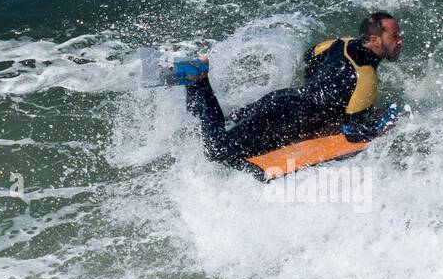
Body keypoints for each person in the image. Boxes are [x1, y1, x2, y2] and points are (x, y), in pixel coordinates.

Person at [172, 12, 404, 169]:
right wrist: (380, 126)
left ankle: (192, 81)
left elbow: (312, 55)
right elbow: (353, 131)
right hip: (287, 118)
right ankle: (200, 78)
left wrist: (316, 89)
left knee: (213, 129)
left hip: (284, 99)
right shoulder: (367, 78)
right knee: (216, 150)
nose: (400, 41)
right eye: (394, 37)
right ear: (373, 40)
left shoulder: (343, 42)